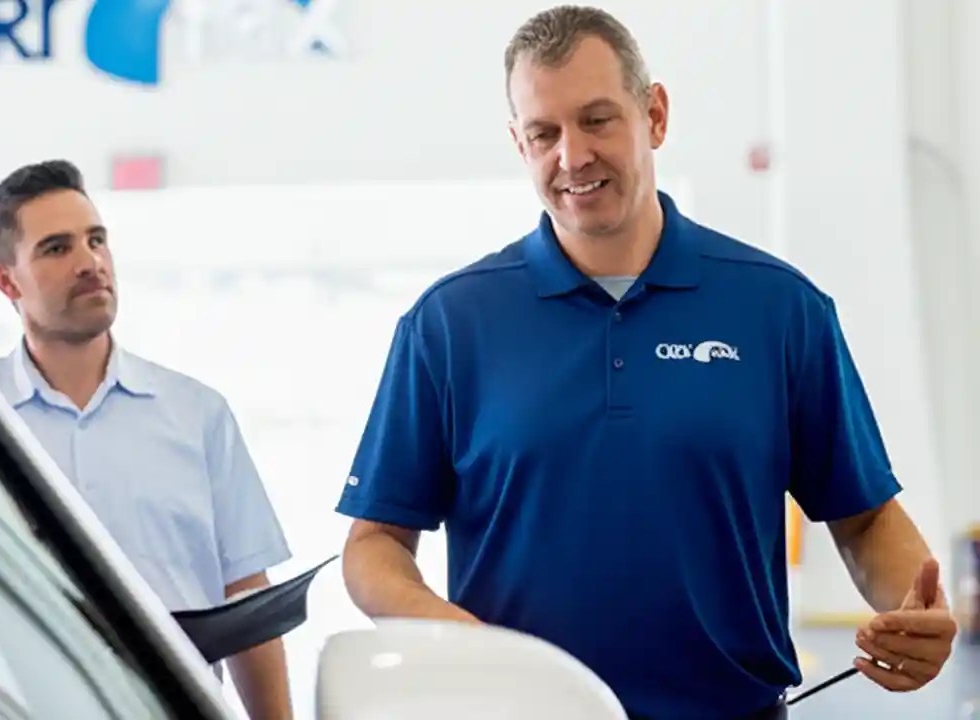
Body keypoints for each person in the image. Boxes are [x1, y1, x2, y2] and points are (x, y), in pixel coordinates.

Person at [334, 5, 958, 719]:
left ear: (654, 114)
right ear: (519, 142)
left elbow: (865, 515)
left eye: (597, 120)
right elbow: (374, 545)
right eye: (544, 132)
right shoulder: (448, 324)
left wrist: (916, 611)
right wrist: (462, 641)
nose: (572, 157)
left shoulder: (779, 309)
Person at [0, 160, 294, 719]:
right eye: (56, 249)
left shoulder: (197, 415)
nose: (90, 263)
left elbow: (246, 597)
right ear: (7, 281)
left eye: (95, 240)